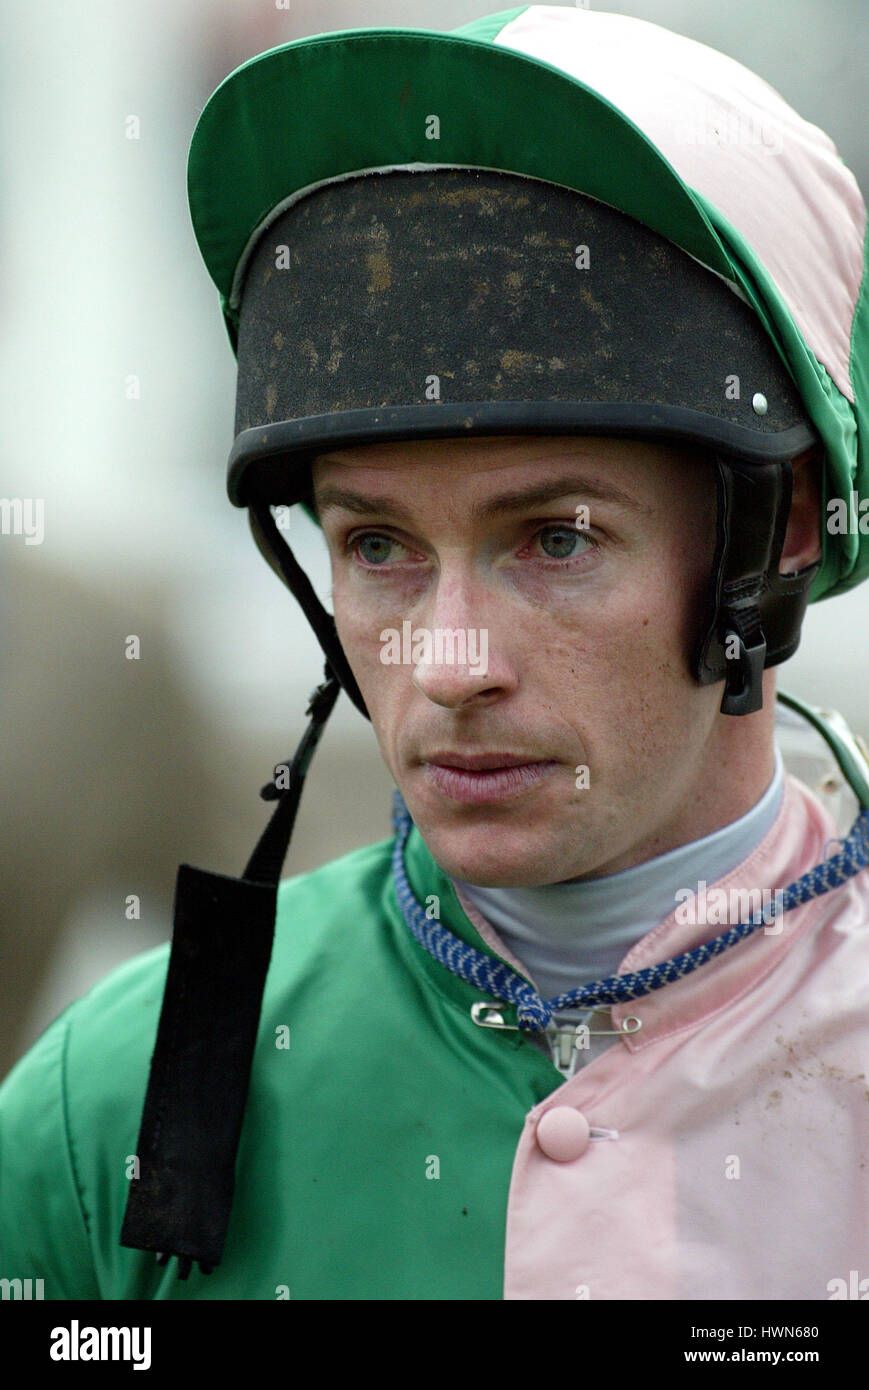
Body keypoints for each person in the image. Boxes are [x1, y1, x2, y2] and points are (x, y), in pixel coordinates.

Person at [1, 5, 868, 1301]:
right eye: (379, 544)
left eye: (556, 539)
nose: (451, 663)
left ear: (776, 531)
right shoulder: (114, 1098)